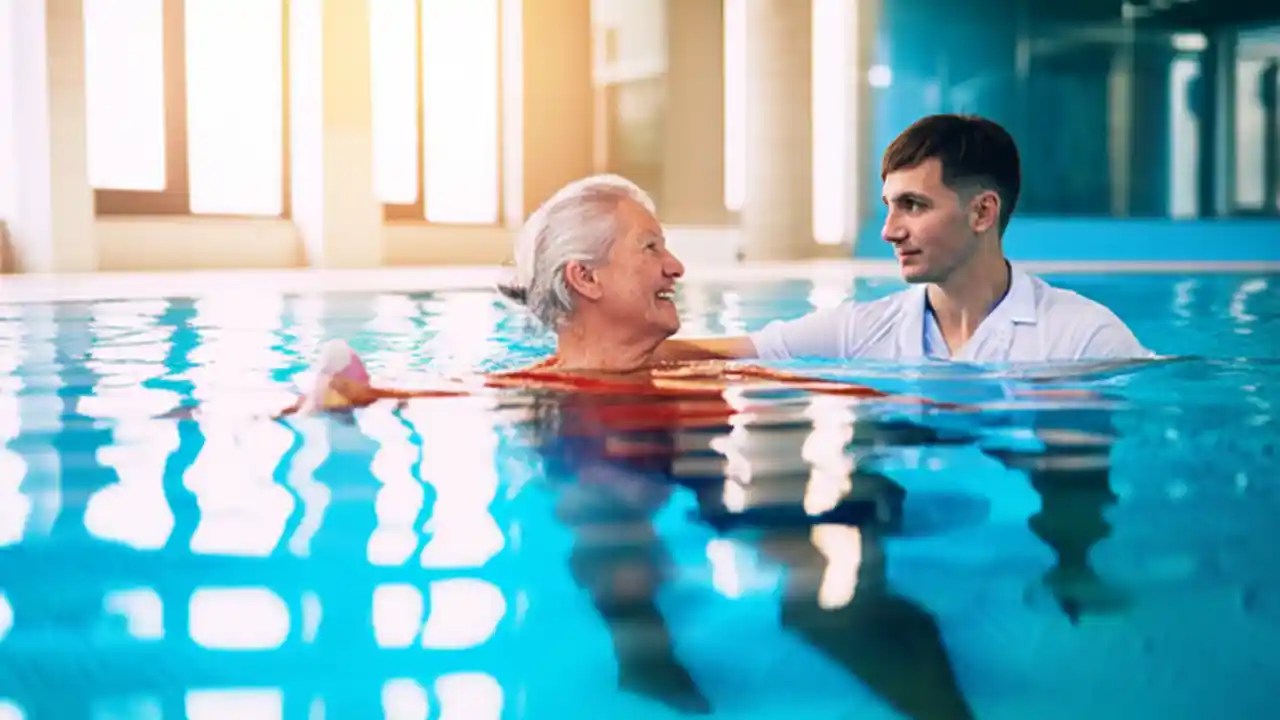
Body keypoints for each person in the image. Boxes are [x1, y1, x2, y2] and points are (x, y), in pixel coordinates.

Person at [284, 174, 935, 415]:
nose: (676, 266)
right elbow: (390, 394)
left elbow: (875, 400)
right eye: (650, 248)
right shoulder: (528, 394)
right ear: (584, 278)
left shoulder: (715, 376)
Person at [657, 114, 1154, 364]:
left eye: (913, 206)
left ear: (982, 211)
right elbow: (727, 354)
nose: (890, 231)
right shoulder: (866, 330)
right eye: (890, 205)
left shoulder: (1081, 338)